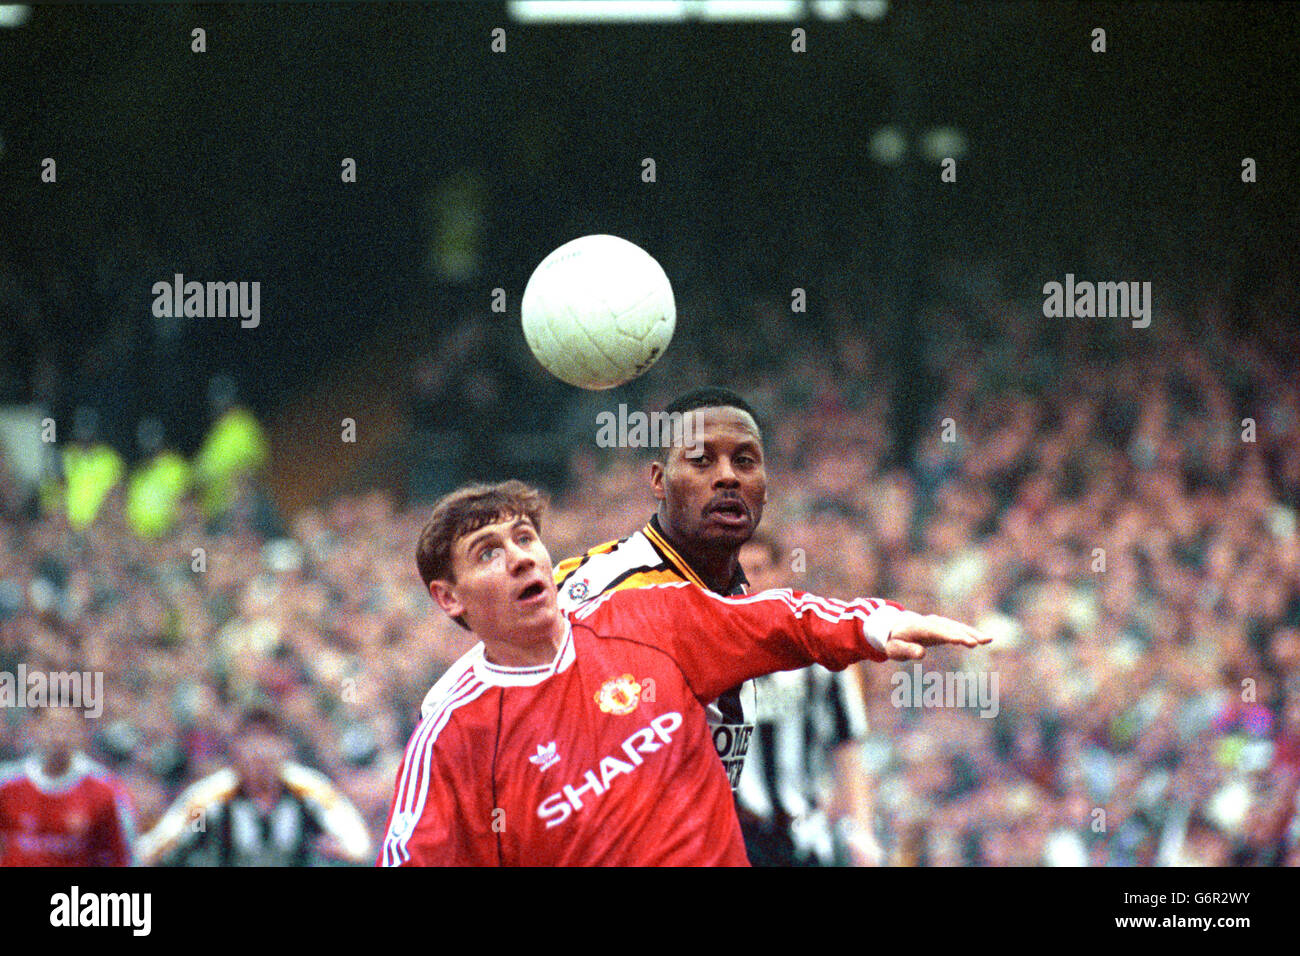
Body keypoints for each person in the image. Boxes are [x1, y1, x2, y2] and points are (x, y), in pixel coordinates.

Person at [379, 480, 987, 866]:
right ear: (448, 598)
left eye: (523, 537)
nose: (518, 557)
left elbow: (770, 620)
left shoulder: (643, 619)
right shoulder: (453, 734)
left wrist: (873, 626)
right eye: (488, 552)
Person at [554, 388, 767, 792]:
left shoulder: (737, 596)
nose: (728, 476)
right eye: (701, 460)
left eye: (744, 461)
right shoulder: (598, 589)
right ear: (658, 481)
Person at [733, 532, 883, 866]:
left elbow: (847, 748)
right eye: (739, 574)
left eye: (758, 570)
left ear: (779, 576)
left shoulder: (821, 656)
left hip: (805, 834)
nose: (748, 584)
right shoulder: (707, 659)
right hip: (734, 837)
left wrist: (863, 832)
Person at [136, 710, 372, 866]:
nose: (260, 751)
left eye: (269, 739)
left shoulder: (309, 790)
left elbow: (359, 844)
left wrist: (342, 852)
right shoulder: (209, 797)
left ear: (285, 747)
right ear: (236, 748)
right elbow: (154, 848)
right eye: (250, 741)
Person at [0, 705, 136, 866]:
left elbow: (122, 857)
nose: (59, 737)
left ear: (83, 731)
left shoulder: (105, 789)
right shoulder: (7, 784)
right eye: (51, 727)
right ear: (33, 727)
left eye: (68, 728)